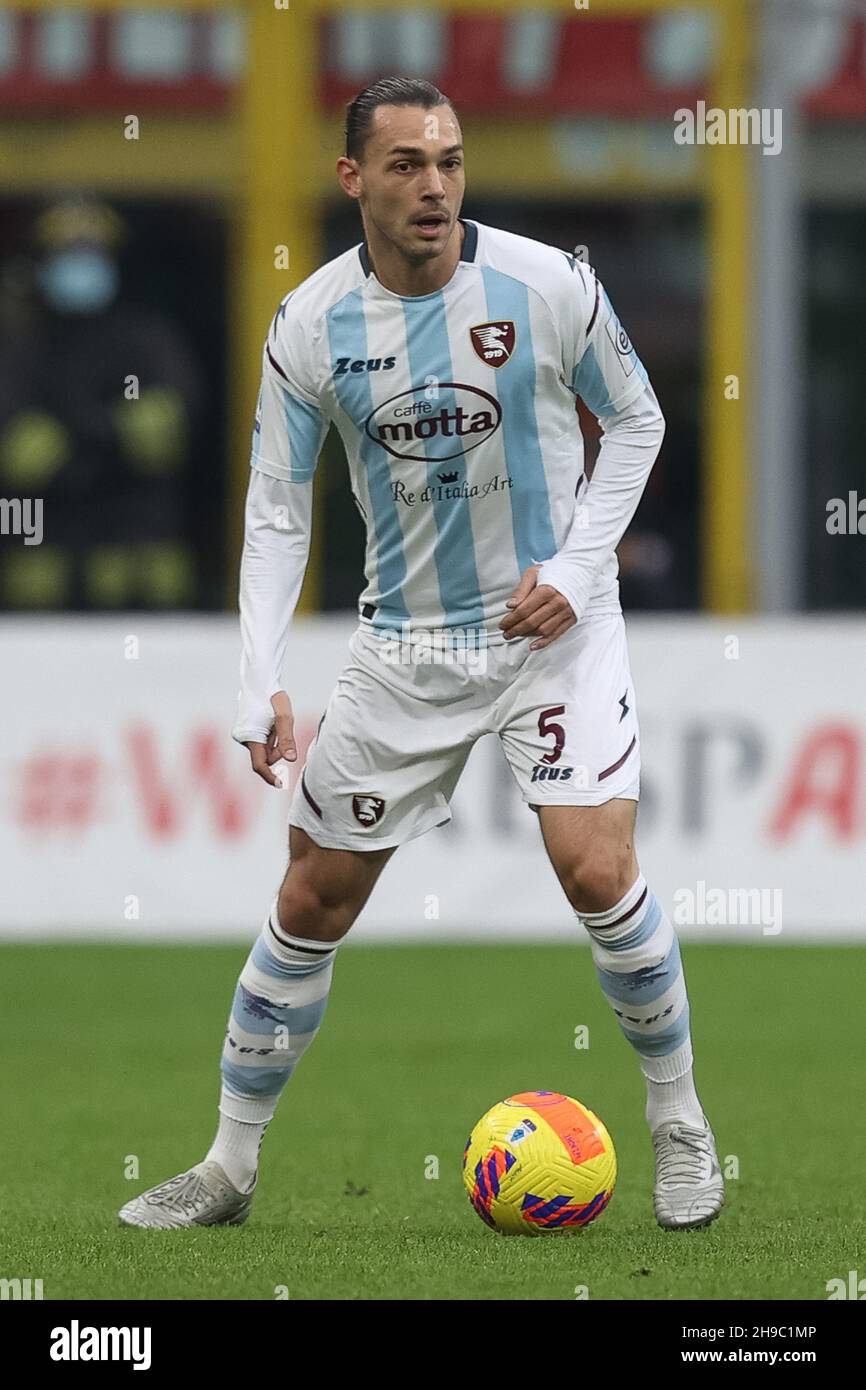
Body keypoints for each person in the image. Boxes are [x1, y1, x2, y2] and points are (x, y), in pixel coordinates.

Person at [119, 77, 723, 1233]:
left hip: (551, 628)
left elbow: (637, 417)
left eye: (447, 160)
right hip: (403, 647)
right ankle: (227, 1170)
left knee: (595, 871)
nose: (434, 185)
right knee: (313, 896)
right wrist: (260, 682)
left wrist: (578, 570)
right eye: (404, 164)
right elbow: (276, 508)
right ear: (353, 179)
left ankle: (680, 1122)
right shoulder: (307, 325)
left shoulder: (547, 284)